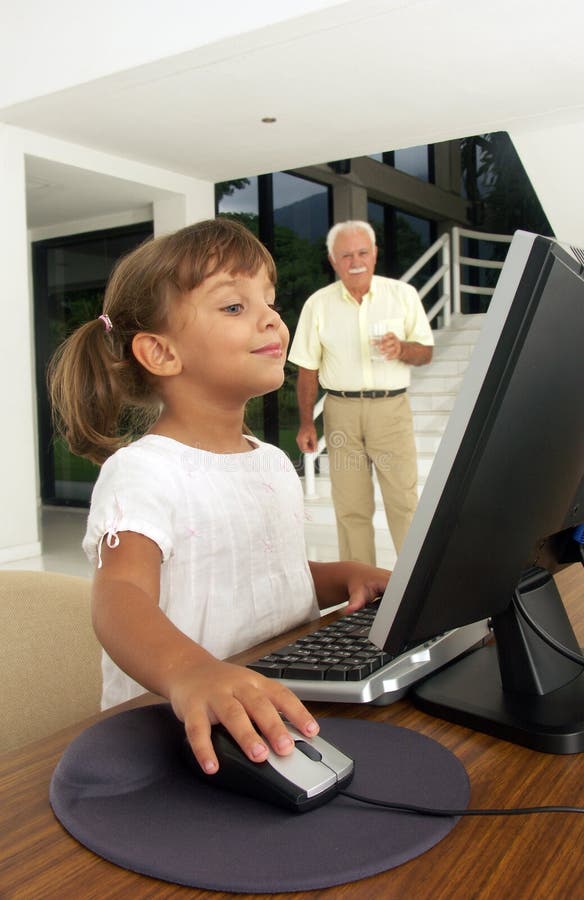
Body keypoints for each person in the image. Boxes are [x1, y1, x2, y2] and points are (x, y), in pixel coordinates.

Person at [48, 218, 389, 777]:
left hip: (272, 706)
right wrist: (190, 672)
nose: (272, 317)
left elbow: (257, 573)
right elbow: (120, 596)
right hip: (170, 736)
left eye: (270, 301)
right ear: (161, 353)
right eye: (234, 306)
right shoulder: (142, 472)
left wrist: (342, 575)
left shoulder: (271, 462)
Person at [289, 220, 434, 566]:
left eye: (362, 253)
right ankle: (360, 584)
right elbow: (307, 370)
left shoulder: (402, 295)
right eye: (346, 255)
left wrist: (402, 349)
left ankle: (414, 581)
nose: (355, 261)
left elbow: (425, 353)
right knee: (350, 505)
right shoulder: (318, 304)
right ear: (332, 260)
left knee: (403, 501)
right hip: (341, 411)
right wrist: (307, 423)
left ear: (375, 254)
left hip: (391, 410)